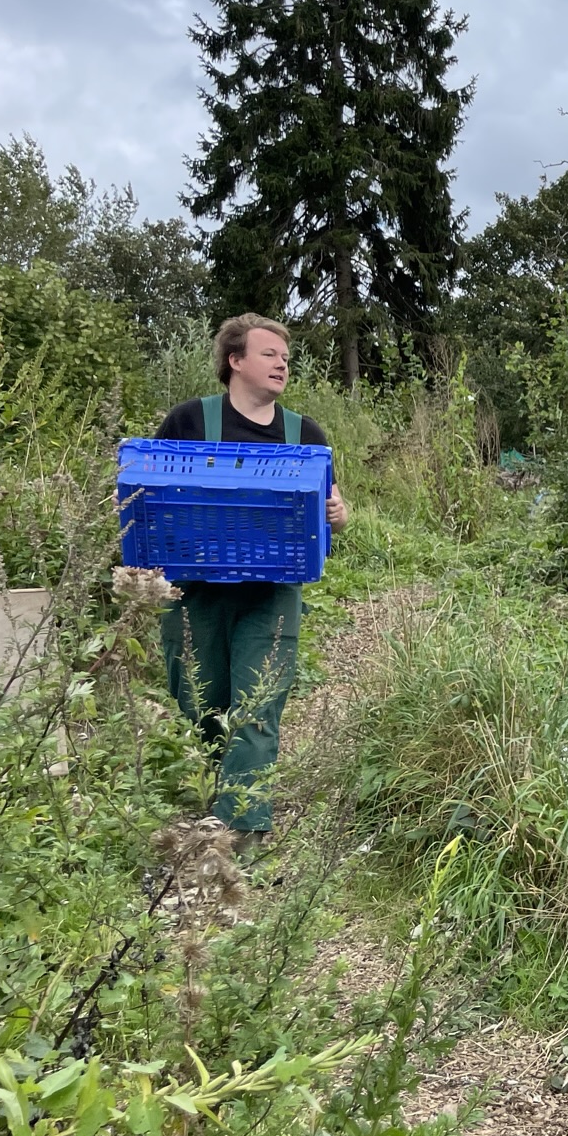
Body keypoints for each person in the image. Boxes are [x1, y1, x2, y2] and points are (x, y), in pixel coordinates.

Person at [154, 314, 347, 843]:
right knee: (201, 699)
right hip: (197, 589)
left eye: (285, 356)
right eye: (269, 354)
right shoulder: (189, 421)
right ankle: (217, 788)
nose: (282, 362)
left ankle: (245, 828)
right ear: (235, 361)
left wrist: (338, 514)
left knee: (258, 705)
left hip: (271, 592)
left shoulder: (305, 435)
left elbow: (328, 507)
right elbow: (149, 493)